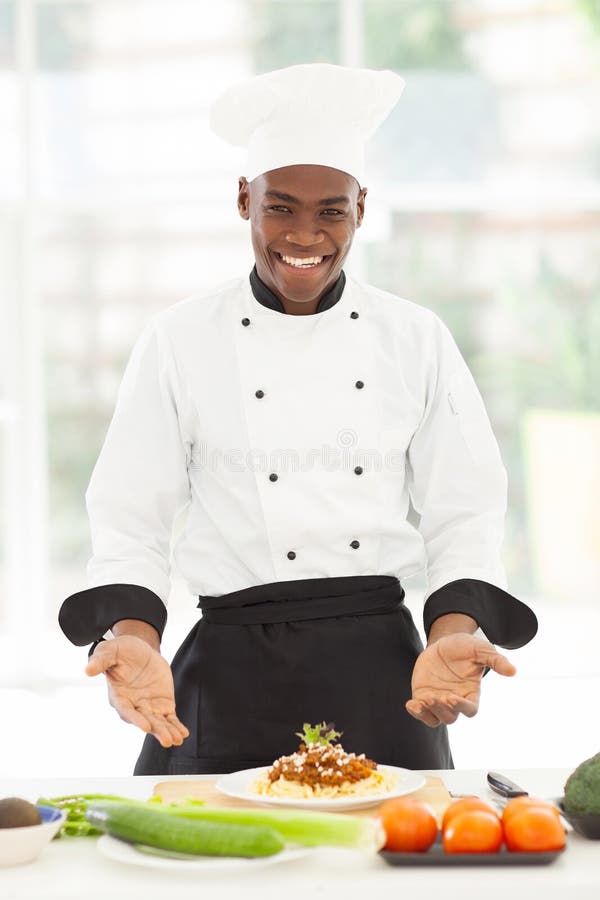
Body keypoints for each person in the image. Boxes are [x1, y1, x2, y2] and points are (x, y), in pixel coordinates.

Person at [59, 63, 537, 775]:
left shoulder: (415, 337)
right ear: (244, 200)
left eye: (331, 211)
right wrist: (134, 638)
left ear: (363, 208)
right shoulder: (181, 340)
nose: (305, 234)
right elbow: (133, 515)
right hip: (228, 671)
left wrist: (454, 630)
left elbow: (464, 509)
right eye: (280, 207)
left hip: (387, 676)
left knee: (384, 874)